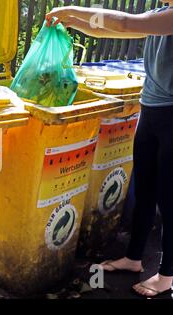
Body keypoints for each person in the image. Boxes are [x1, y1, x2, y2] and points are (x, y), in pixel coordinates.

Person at [46, 3, 173, 298]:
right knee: (144, 192)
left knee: (169, 200)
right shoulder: (158, 13)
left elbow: (126, 23)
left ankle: (167, 275)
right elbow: (106, 27)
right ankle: (133, 258)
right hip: (150, 109)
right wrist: (73, 21)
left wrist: (70, 8)